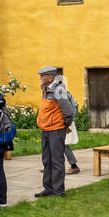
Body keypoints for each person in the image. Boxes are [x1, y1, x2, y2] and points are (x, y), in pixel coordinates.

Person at [36, 66, 74, 198]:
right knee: (46, 160)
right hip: (46, 129)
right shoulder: (45, 89)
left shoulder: (58, 90)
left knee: (57, 160)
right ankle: (48, 188)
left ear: (50, 77)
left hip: (56, 130)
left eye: (42, 76)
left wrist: (63, 125)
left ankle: (58, 191)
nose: (40, 78)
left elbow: (68, 111)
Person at [58, 75, 81, 174]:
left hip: (63, 122)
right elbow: (74, 106)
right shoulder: (66, 93)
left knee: (63, 144)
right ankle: (50, 166)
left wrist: (68, 121)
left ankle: (73, 165)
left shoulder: (63, 94)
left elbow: (73, 107)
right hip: (60, 122)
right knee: (55, 144)